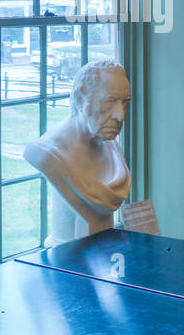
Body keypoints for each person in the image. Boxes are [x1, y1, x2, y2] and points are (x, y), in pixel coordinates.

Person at [24, 59, 131, 248]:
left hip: (102, 250)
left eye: (125, 103)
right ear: (81, 99)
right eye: (110, 101)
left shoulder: (110, 145)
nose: (120, 115)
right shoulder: (47, 153)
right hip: (67, 255)